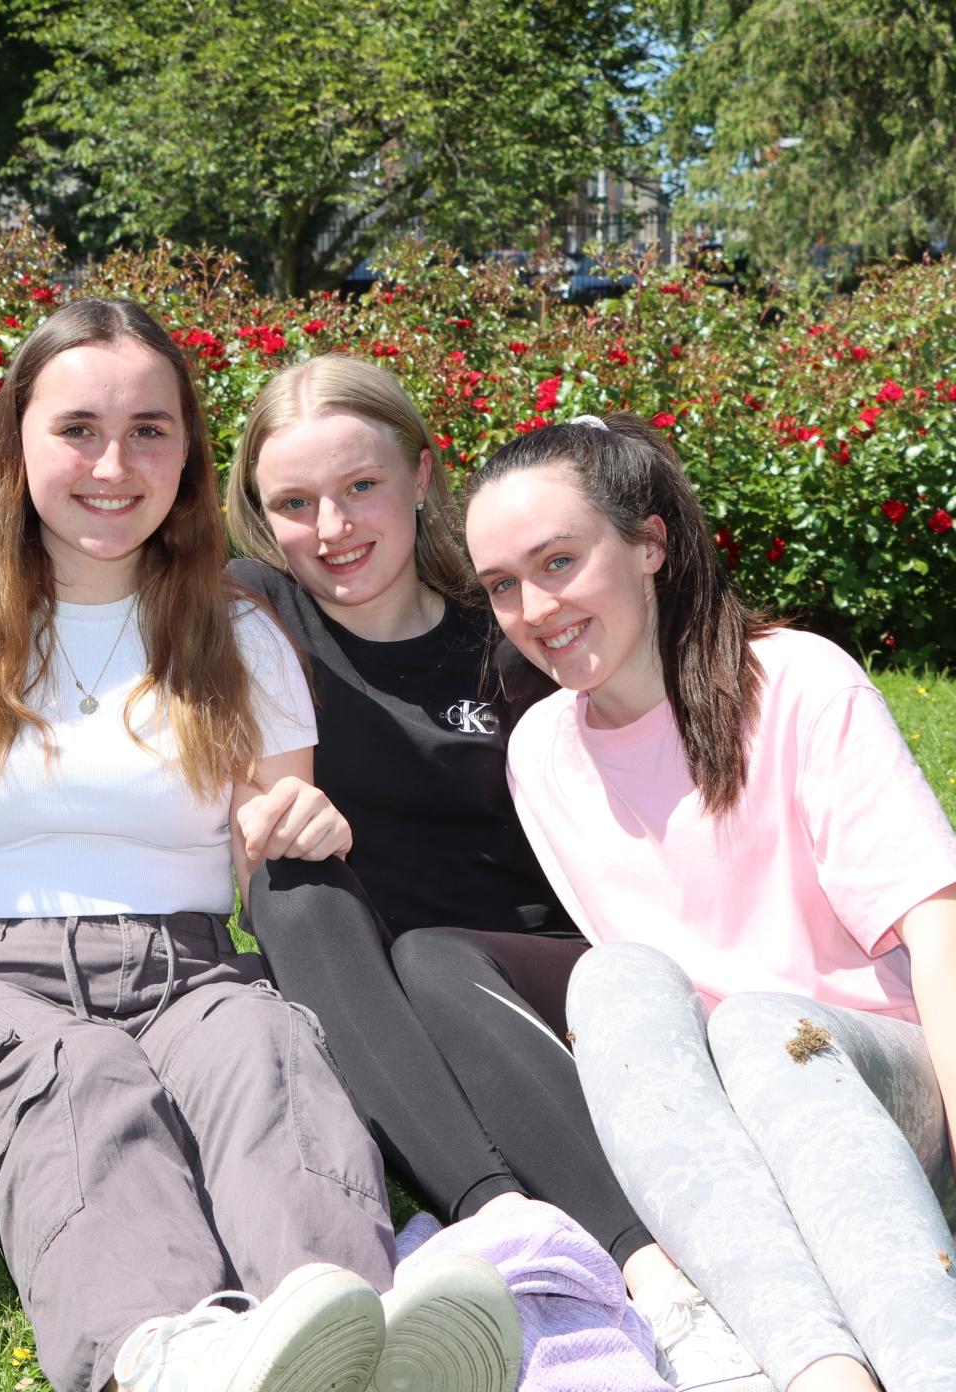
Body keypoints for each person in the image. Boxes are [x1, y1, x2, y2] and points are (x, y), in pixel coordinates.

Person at [0, 299, 521, 1392]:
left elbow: (270, 845)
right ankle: (174, 1357)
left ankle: (355, 1336)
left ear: (189, 454)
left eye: (150, 428)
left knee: (266, 1059)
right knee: (82, 1084)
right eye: (78, 428)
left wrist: (307, 824)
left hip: (192, 972)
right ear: (17, 444)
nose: (114, 462)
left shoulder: (238, 636)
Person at [462, 412, 956, 1392]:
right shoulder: (542, 754)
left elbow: (947, 943)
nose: (534, 607)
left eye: (559, 560)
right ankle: (817, 1371)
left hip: (882, 1087)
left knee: (761, 1029)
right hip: (732, 1122)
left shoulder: (795, 686)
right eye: (501, 586)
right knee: (612, 982)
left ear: (649, 543)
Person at [222, 357, 702, 1377]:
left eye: (361, 487)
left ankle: (648, 1264)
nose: (334, 528)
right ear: (261, 517)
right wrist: (281, 800)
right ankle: (504, 1221)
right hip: (365, 1005)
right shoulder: (256, 610)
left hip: (518, 981)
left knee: (440, 957)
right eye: (295, 503)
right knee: (290, 887)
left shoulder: (512, 632)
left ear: (424, 475)